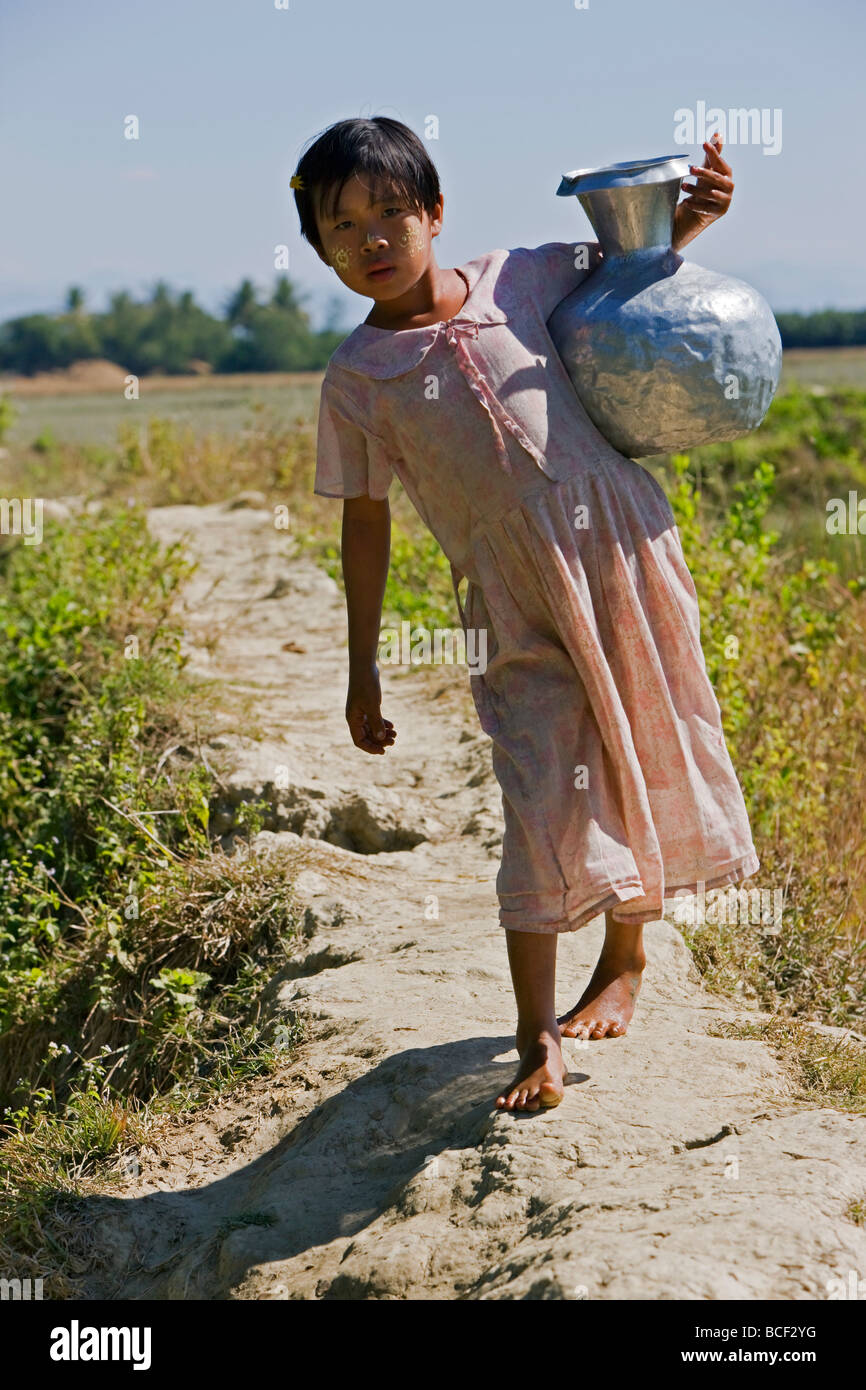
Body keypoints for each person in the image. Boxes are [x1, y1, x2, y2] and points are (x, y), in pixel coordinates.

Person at [291, 115, 757, 1111]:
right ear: (319, 247)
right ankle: (534, 1035)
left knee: (635, 745)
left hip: (620, 549)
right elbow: (363, 524)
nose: (368, 239)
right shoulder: (355, 381)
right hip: (506, 597)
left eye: (386, 213)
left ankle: (624, 959)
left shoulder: (523, 278)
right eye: (341, 226)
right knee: (540, 788)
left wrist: (691, 216)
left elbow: (634, 268)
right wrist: (361, 666)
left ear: (433, 213)